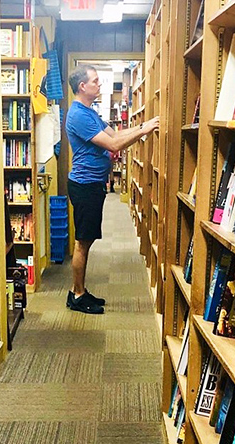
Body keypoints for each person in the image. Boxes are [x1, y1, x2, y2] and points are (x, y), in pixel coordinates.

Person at [65, 65, 159, 314]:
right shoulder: (78, 115)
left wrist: (142, 127)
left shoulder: (90, 112)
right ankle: (76, 294)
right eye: (95, 81)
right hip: (85, 185)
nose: (99, 85)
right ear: (82, 86)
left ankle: (80, 290)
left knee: (87, 240)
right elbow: (115, 143)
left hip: (92, 185)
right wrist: (143, 130)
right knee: (82, 243)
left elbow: (115, 133)